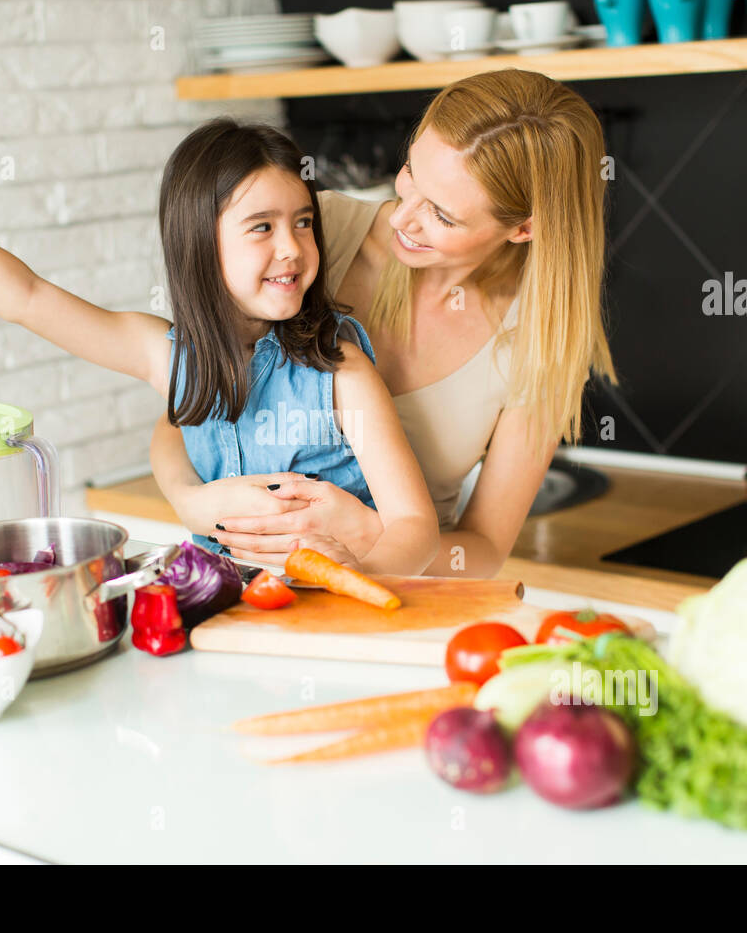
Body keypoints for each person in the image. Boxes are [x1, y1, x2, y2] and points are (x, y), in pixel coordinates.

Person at [0, 119, 439, 575]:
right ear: (201, 244)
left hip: (339, 605)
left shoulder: (340, 370)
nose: (293, 249)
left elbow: (416, 528)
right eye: (261, 228)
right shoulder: (170, 357)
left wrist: (358, 583)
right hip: (233, 610)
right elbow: (25, 296)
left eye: (304, 222)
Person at [151, 69, 617, 578]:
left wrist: (370, 533)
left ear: (525, 226)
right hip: (247, 590)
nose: (400, 217)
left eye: (441, 215)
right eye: (411, 173)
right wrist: (189, 501)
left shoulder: (541, 339)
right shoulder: (308, 240)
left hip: (404, 599)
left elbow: (482, 551)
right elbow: (188, 397)